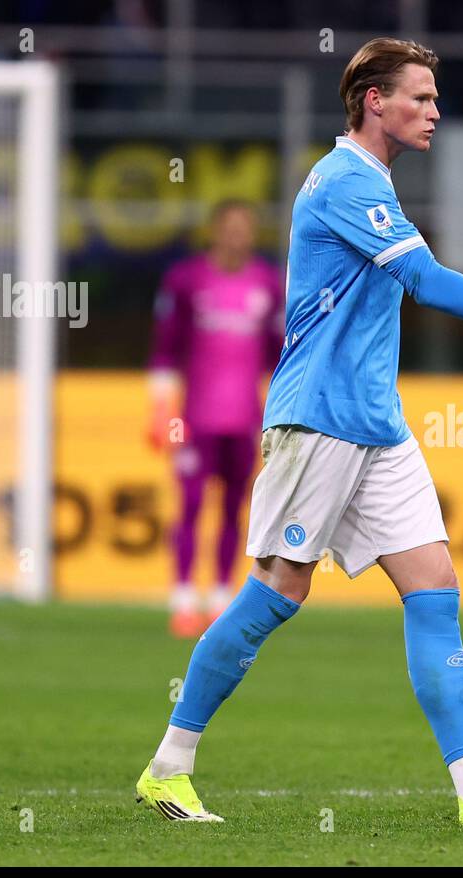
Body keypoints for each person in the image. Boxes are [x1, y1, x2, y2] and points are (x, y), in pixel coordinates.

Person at [135, 37, 463, 826]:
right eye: (421, 97)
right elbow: (425, 280)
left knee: (435, 587)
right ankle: (169, 766)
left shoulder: (370, 181)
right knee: (277, 593)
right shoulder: (344, 180)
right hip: (319, 419)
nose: (436, 111)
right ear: (376, 101)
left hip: (377, 424)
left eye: (437, 98)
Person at [147, 200, 285, 638]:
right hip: (195, 419)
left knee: (234, 508)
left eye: (245, 228)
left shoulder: (267, 284)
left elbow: (278, 356)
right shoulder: (187, 281)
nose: (236, 236)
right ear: (214, 231)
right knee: (189, 505)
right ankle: (184, 596)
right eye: (229, 227)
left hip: (244, 420)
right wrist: (160, 408)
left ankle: (223, 595)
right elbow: (165, 349)